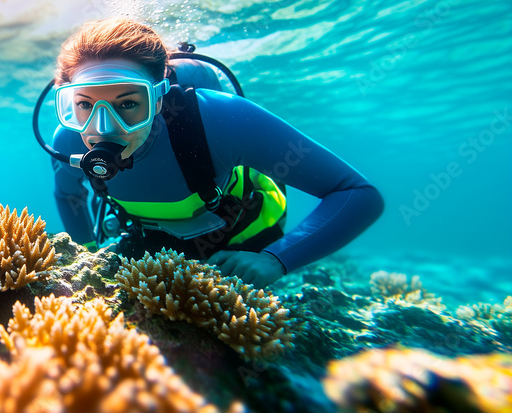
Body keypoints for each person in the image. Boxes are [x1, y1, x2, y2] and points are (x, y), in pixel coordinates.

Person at [39, 18, 383, 287]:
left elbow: (359, 195)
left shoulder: (220, 119)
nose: (103, 127)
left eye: (128, 103)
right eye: (83, 104)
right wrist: (86, 256)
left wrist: (274, 259)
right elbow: (68, 195)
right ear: (67, 102)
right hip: (152, 240)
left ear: (159, 97)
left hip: (240, 241)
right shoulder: (68, 138)